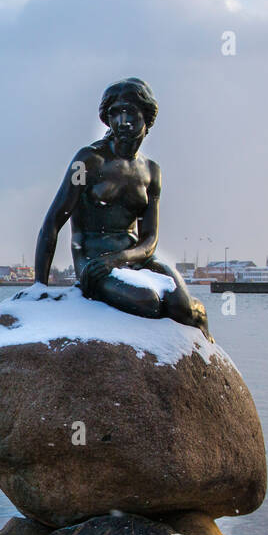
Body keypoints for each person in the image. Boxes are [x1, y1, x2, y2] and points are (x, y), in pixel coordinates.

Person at [33, 78, 211, 340]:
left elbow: (150, 239)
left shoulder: (151, 171)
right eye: (115, 113)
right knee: (148, 303)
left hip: (134, 258)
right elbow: (52, 223)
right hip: (93, 262)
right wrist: (40, 286)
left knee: (182, 309)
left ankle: (201, 330)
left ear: (146, 117)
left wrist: (119, 258)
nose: (122, 121)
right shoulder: (90, 160)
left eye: (130, 112)